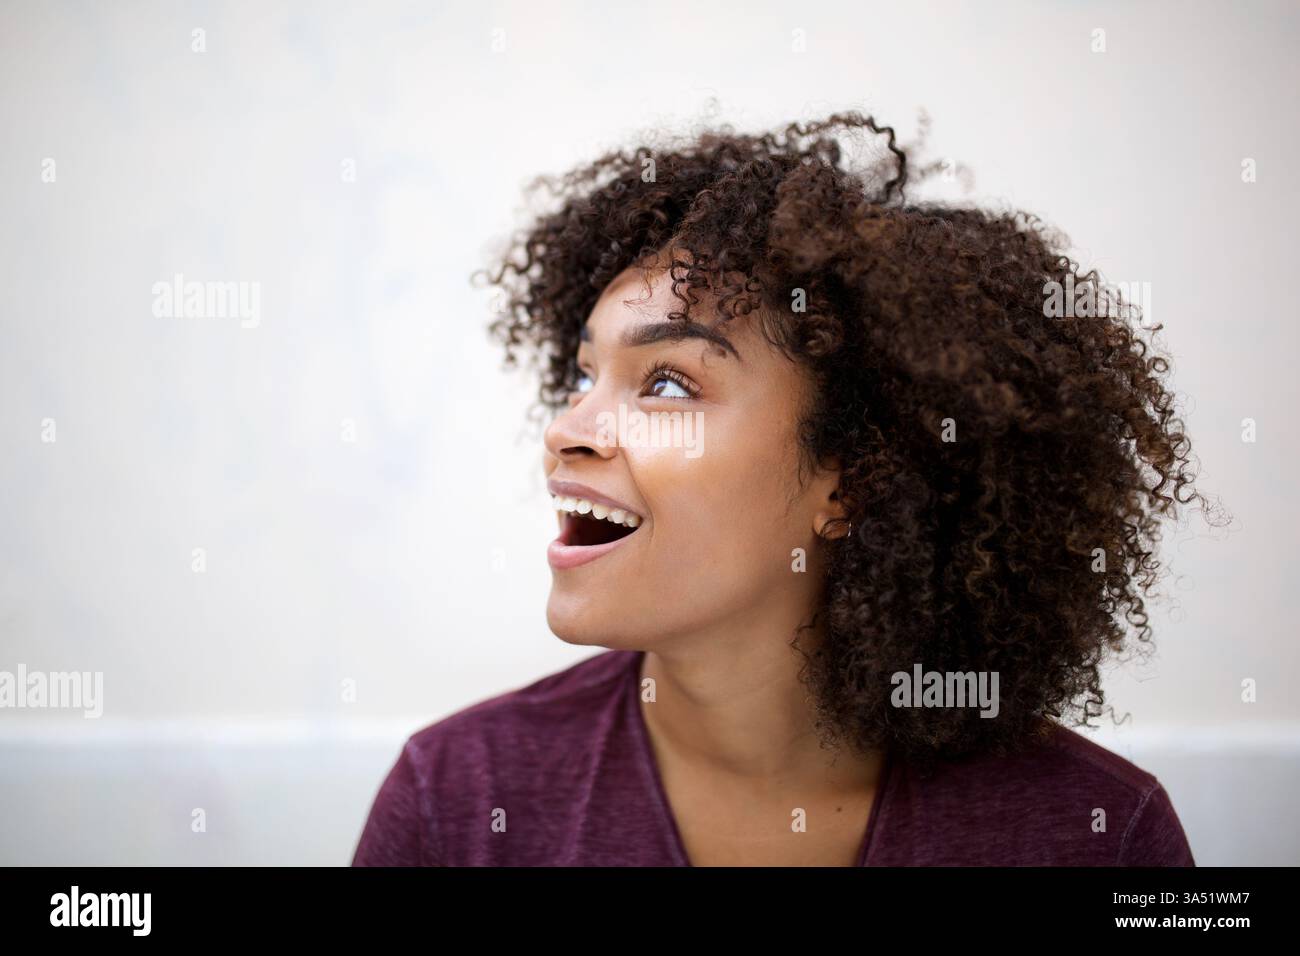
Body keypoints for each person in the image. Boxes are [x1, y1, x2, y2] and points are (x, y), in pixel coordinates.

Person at [353, 112, 1208, 866]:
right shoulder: (457, 802)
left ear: (853, 480)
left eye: (668, 385)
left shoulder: (1092, 833)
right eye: (585, 375)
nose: (567, 429)